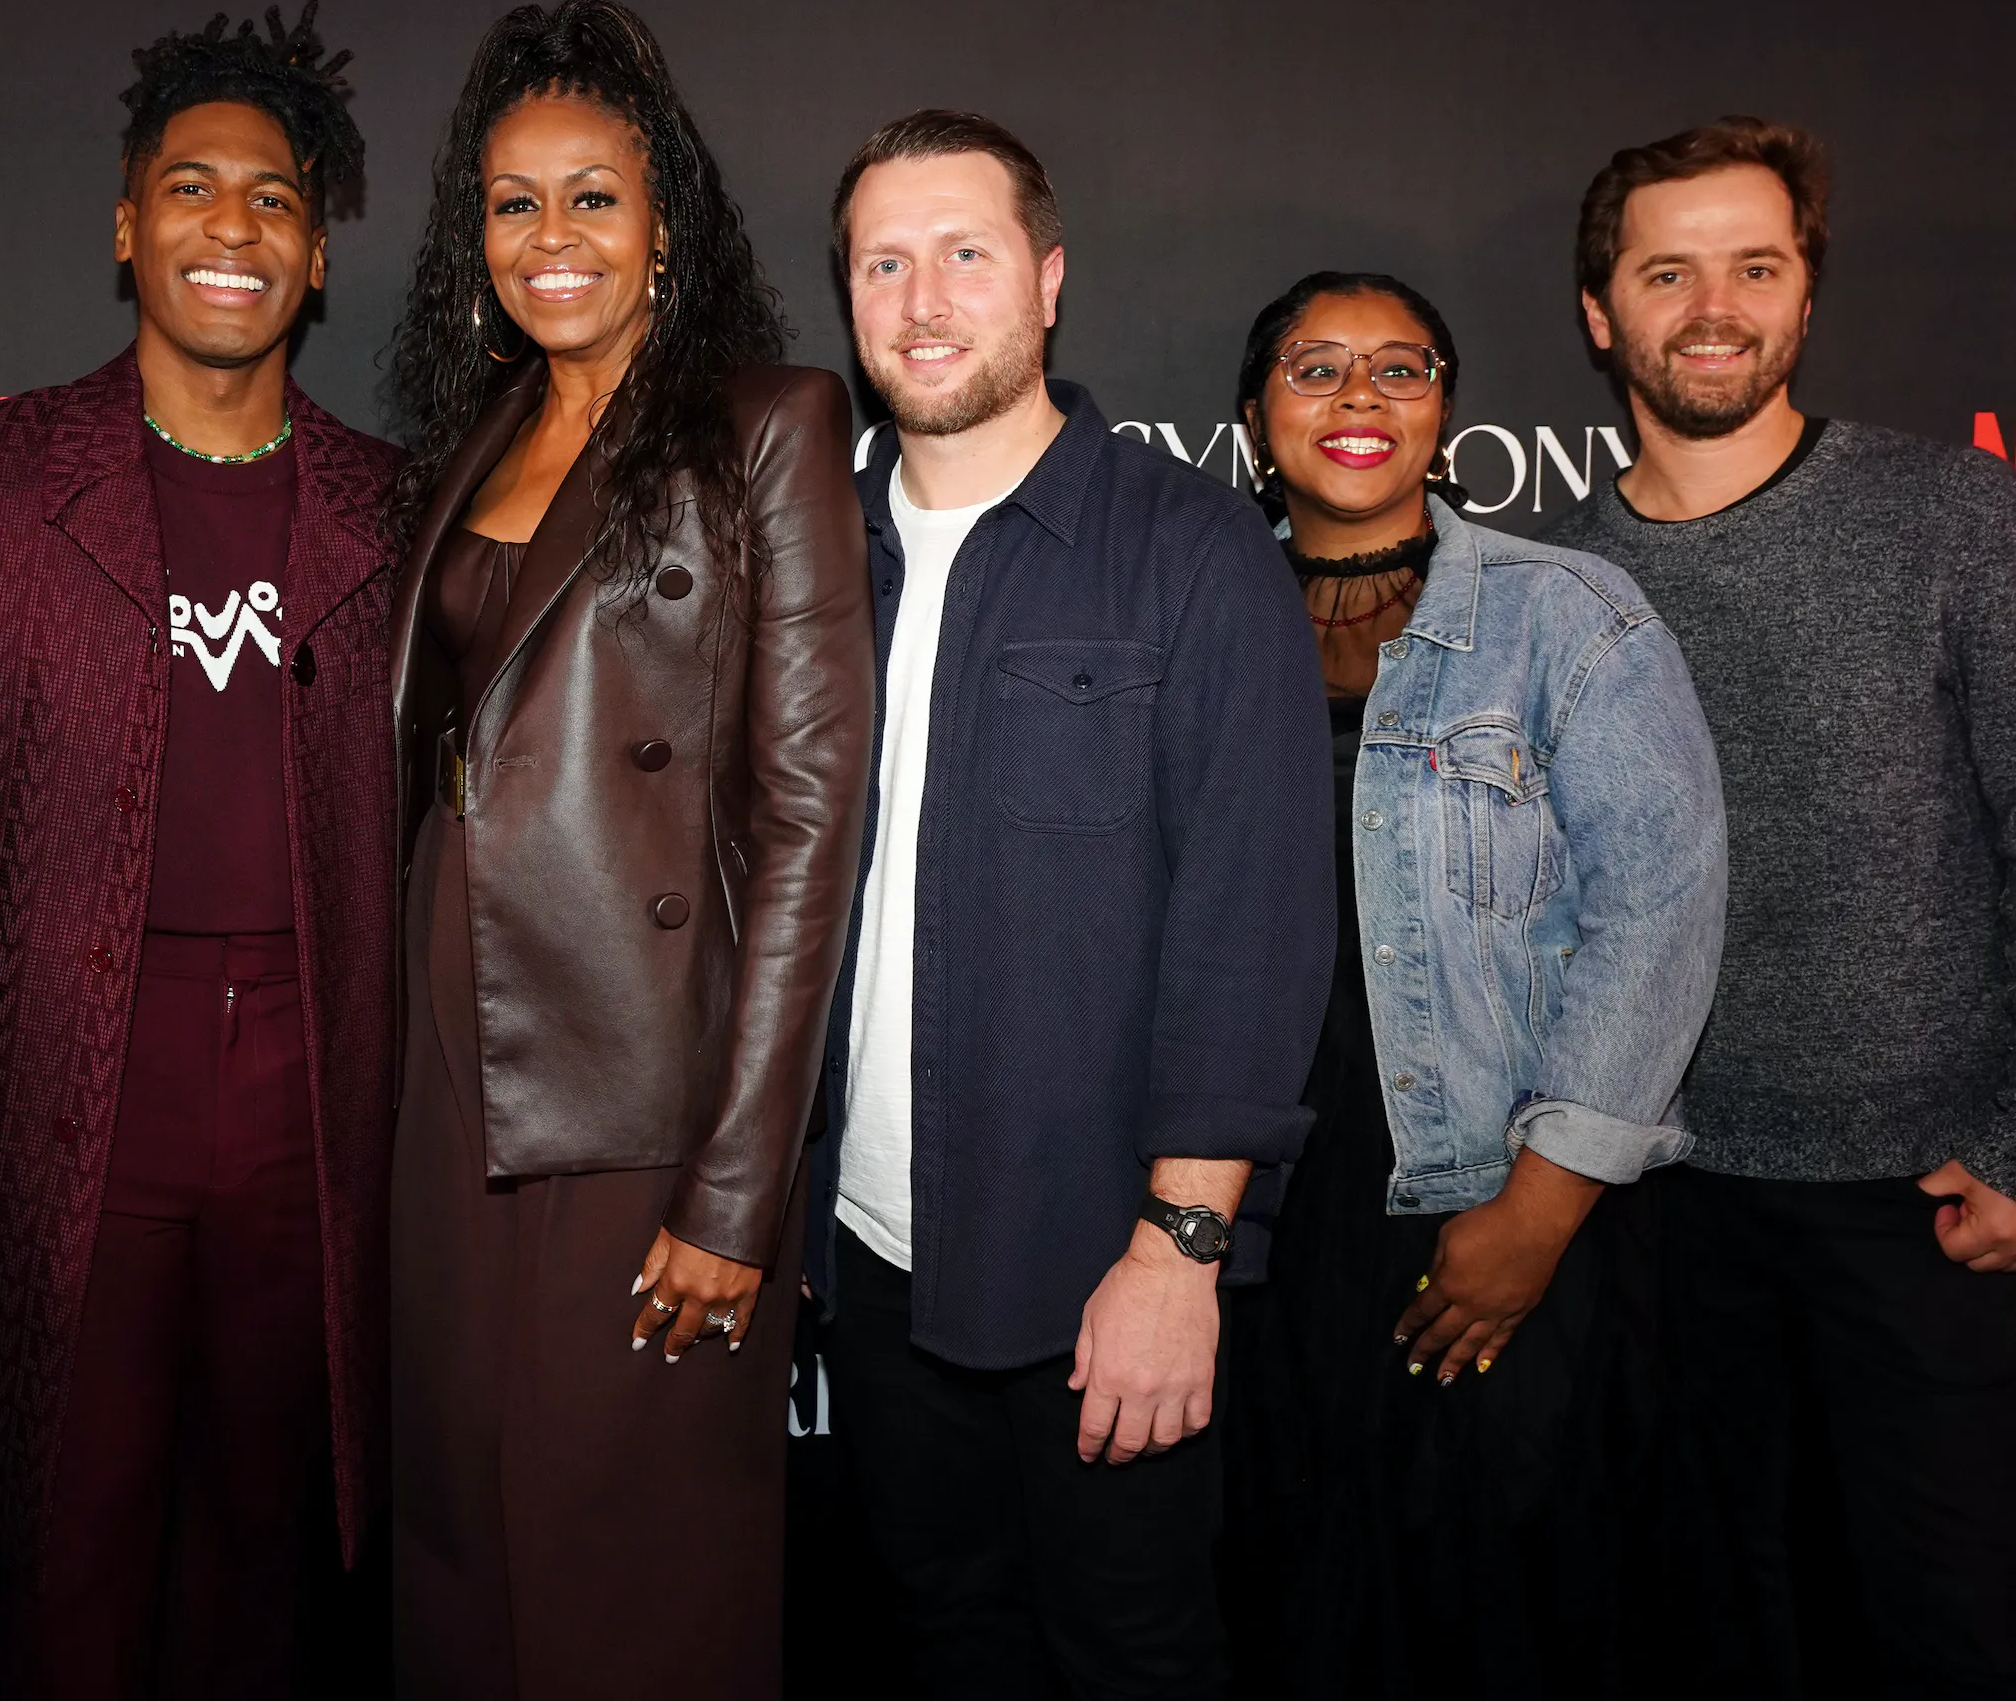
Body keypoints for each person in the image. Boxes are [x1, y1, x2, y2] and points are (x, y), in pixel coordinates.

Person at [0, 8, 403, 1699]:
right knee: (72, 1532)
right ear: (126, 225)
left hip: (313, 1088)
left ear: (317, 251)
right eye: (190, 187)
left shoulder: (395, 511)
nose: (232, 228)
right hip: (66, 1063)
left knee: (274, 1546)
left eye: (273, 199)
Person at [805, 109, 1330, 1698]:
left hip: (1100, 1267)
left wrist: (1179, 1252)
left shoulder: (1189, 554)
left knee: (1130, 1655)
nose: (922, 300)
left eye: (964, 254)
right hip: (874, 1257)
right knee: (940, 1640)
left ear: (1044, 282)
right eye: (881, 263)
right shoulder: (813, 559)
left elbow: (1251, 926)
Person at [382, 0, 872, 1698]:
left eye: (592, 195)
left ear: (665, 221)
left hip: (639, 1075)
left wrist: (736, 1192)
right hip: (449, 1052)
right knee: (457, 1525)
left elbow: (809, 819)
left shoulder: (767, 424)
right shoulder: (476, 441)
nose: (551, 237)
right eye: (513, 203)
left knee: (627, 1551)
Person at [1552, 117, 2016, 1695]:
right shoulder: (1552, 581)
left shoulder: (1950, 516)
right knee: (1704, 1628)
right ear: (1599, 313)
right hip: (1652, 1206)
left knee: (1940, 1623)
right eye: (1665, 271)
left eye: (1754, 266)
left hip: (1925, 1202)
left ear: (1804, 297)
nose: (1711, 307)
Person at [1216, 271, 1725, 1696]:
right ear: (1257, 414)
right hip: (1248, 1207)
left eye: (1400, 365)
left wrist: (1542, 1205)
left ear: (1444, 407)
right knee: (1280, 1585)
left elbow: (1661, 908)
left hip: (1490, 1195)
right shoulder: (1191, 611)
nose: (1359, 395)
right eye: (1316, 367)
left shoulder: (1565, 614)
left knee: (1497, 1595)